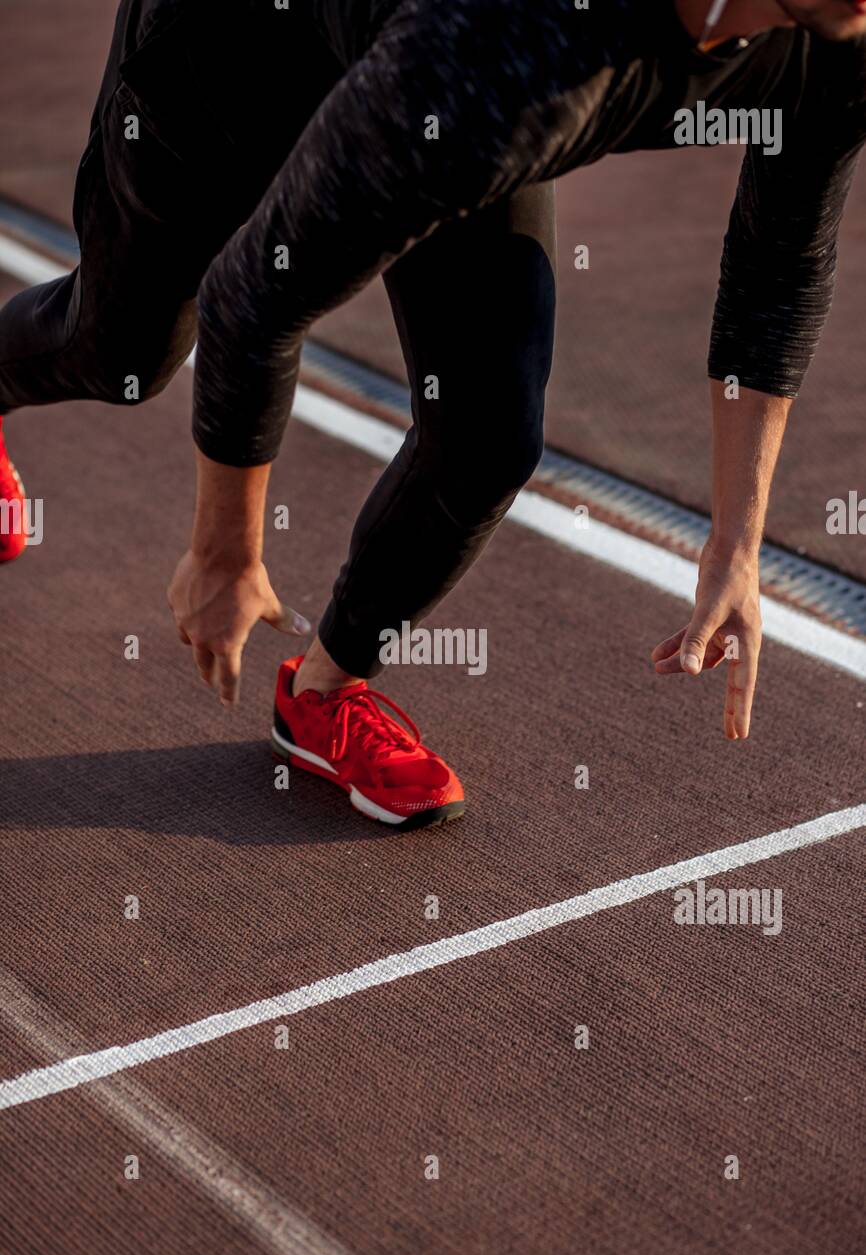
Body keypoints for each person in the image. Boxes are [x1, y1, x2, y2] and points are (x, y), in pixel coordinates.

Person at [1, 1, 864, 827]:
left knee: (488, 433)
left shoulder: (842, 37)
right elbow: (251, 301)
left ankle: (323, 696)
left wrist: (735, 544)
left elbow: (779, 265)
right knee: (123, 355)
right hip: (236, 55)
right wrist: (225, 554)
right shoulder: (508, 48)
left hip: (447, 91)